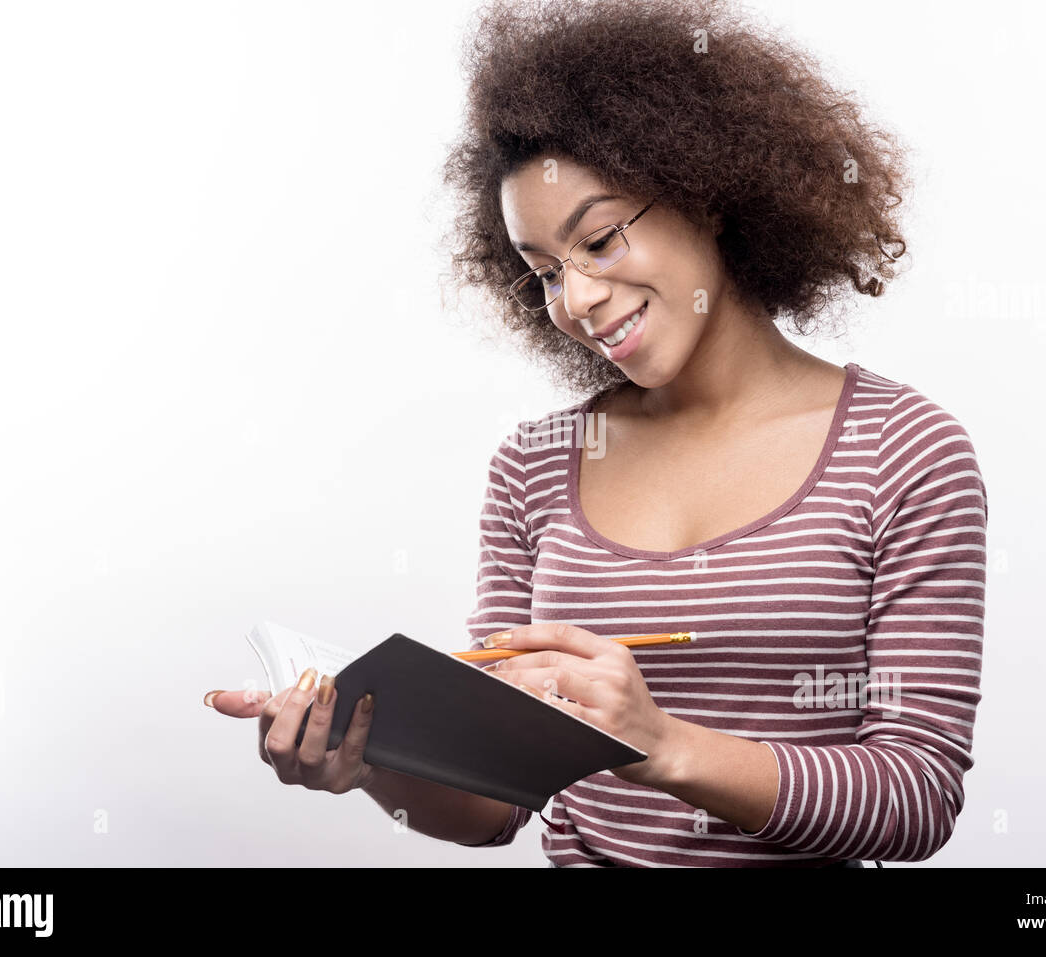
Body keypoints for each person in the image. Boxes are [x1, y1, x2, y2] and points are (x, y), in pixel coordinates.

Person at [205, 0, 988, 867]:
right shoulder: (534, 466)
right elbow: (496, 801)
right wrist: (366, 761)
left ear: (708, 191)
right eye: (545, 273)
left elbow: (917, 794)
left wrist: (663, 744)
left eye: (601, 240)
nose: (575, 301)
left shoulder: (903, 451)